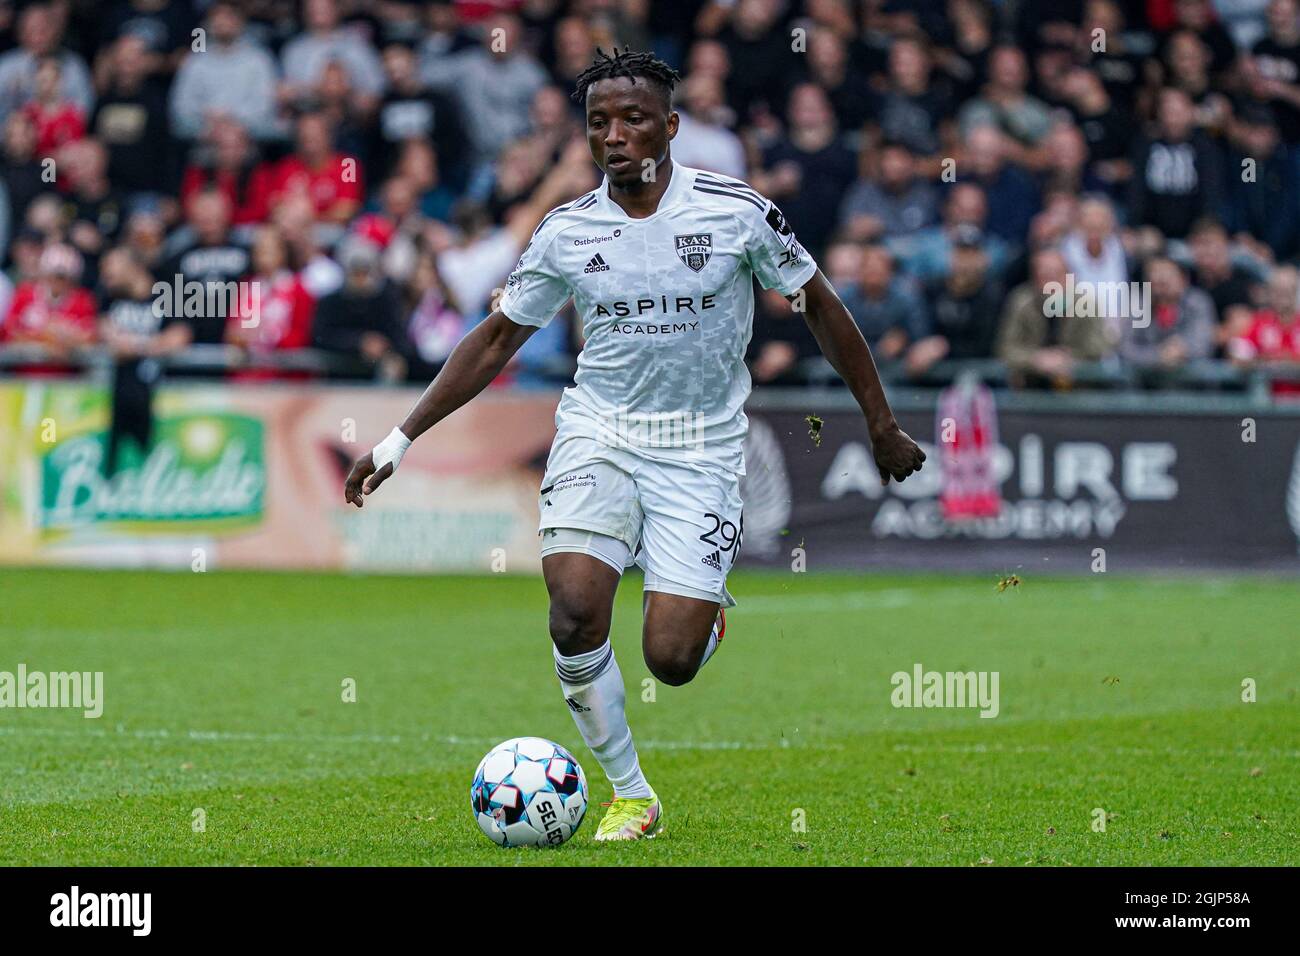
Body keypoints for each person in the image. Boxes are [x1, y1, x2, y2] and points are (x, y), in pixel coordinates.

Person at [341, 49, 924, 842]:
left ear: (671, 127)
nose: (614, 136)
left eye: (633, 119)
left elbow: (818, 304)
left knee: (670, 660)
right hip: (599, 431)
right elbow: (496, 337)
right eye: (598, 124)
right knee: (575, 613)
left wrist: (879, 421)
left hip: (702, 447)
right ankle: (631, 792)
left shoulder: (735, 212)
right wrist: (398, 439)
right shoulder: (568, 231)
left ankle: (704, 614)